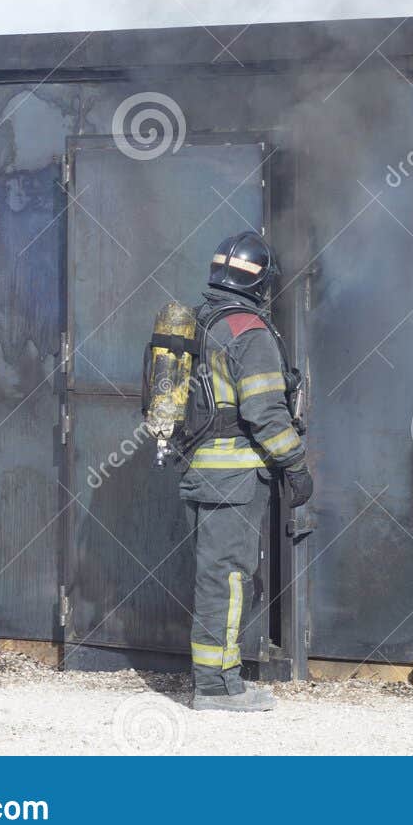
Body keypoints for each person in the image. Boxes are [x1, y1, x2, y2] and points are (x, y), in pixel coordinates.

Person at [179, 230, 313, 712]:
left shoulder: (202, 321)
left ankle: (218, 680)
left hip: (204, 471)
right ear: (259, 283)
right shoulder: (246, 330)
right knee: (228, 579)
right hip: (234, 478)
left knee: (218, 575)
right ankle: (216, 687)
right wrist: (295, 464)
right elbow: (266, 414)